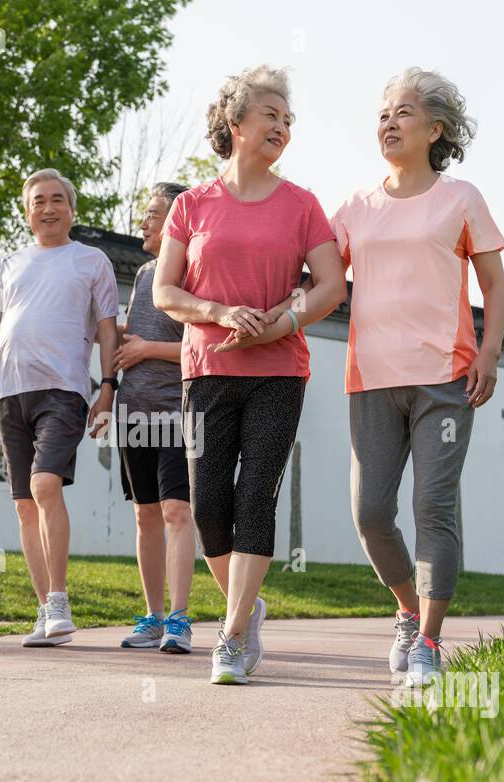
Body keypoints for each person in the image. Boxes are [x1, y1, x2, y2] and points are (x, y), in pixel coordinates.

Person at [153, 65, 347, 685]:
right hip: (205, 370)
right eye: (271, 115)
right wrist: (216, 312)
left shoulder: (303, 206)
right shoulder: (191, 206)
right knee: (209, 504)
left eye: (288, 120)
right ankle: (249, 603)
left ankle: (232, 637)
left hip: (278, 373)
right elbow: (165, 291)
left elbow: (330, 286)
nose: (282, 127)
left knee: (255, 494)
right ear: (236, 124)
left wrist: (280, 323)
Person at [329, 67, 504, 686]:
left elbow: (494, 284)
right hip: (371, 377)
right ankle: (406, 607)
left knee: (434, 504)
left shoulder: (461, 199)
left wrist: (489, 353)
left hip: (445, 379)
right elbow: (321, 276)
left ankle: (429, 642)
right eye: (383, 113)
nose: (388, 122)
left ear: (435, 128)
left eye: (403, 112)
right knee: (371, 513)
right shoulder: (355, 207)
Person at [0, 168, 120, 647]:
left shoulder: (91, 261)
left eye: (56, 200)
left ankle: (61, 600)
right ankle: (45, 611)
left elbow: (108, 330)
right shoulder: (8, 263)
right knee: (25, 505)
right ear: (27, 213)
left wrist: (107, 386)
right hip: (9, 392)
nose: (47, 208)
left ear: (71, 209)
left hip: (63, 389)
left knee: (45, 484)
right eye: (37, 201)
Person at [114, 182, 198, 654]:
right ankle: (153, 617)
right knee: (145, 514)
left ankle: (181, 619)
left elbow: (200, 345)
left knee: (176, 511)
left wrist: (146, 348)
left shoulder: (194, 271)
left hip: (180, 412)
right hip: (134, 409)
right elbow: (132, 335)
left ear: (178, 218)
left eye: (153, 213)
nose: (144, 222)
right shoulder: (145, 272)